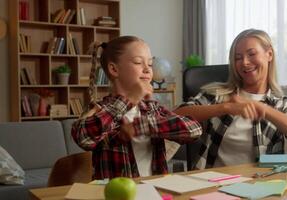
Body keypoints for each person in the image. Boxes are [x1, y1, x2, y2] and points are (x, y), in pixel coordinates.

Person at [174, 29, 287, 169]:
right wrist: (225, 107)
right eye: (238, 58)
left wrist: (263, 109)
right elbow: (176, 115)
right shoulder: (217, 95)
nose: (245, 62)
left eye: (252, 54)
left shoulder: (282, 103)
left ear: (269, 54)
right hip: (215, 182)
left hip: (262, 184)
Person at [71, 36, 202, 179]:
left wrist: (142, 126)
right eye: (138, 62)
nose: (147, 69)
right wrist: (130, 99)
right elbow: (84, 138)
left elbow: (194, 130)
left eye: (150, 64)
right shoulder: (99, 110)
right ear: (114, 69)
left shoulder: (152, 109)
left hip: (154, 191)